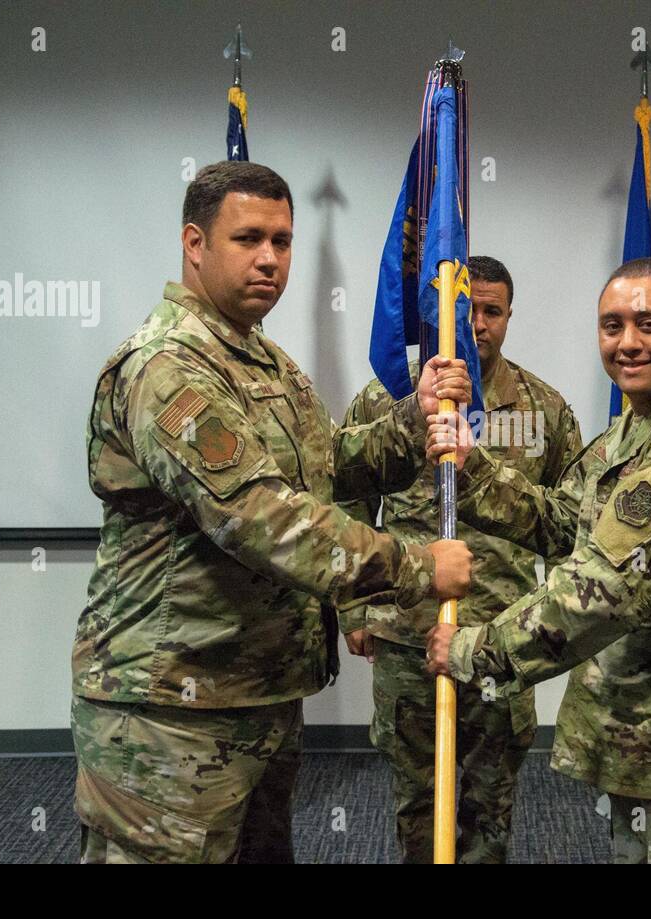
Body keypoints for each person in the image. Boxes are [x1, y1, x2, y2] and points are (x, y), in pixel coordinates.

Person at [70, 161, 473, 864]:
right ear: (194, 244)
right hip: (169, 711)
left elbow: (325, 466)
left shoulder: (268, 364)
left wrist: (412, 421)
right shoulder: (167, 367)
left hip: (257, 694)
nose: (269, 259)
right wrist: (414, 568)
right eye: (248, 238)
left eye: (283, 242)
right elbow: (258, 516)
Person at [425, 257, 651, 864]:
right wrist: (472, 469)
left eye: (649, 325)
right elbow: (564, 523)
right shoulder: (635, 430)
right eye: (612, 325)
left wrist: (473, 649)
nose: (627, 343)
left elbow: (604, 589)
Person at [339, 255, 582, 863]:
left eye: (491, 311)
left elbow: (570, 523)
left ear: (508, 316)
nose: (476, 324)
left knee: (489, 807)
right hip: (407, 634)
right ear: (438, 314)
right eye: (463, 309)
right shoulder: (392, 396)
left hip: (501, 636)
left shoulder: (542, 409)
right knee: (418, 804)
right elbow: (346, 500)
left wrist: (558, 626)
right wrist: (352, 607)